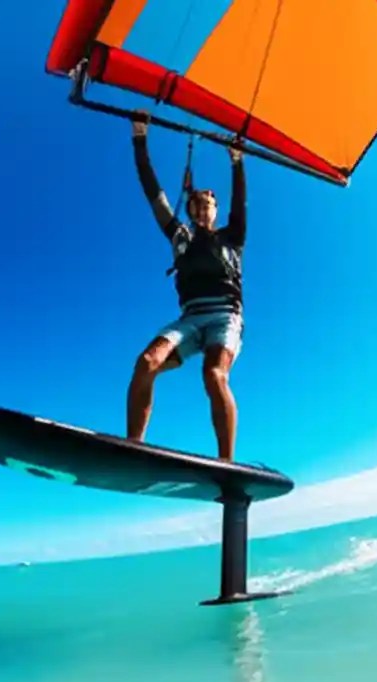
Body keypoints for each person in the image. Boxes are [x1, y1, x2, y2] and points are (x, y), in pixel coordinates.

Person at [125, 114, 247, 461]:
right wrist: (139, 138)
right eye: (197, 204)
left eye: (209, 203)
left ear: (215, 209)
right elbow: (153, 191)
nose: (203, 207)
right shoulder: (180, 235)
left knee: (213, 374)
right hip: (190, 319)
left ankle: (226, 463)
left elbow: (239, 201)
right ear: (191, 210)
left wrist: (237, 161)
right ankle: (133, 447)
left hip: (225, 317)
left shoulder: (232, 236)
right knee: (147, 362)